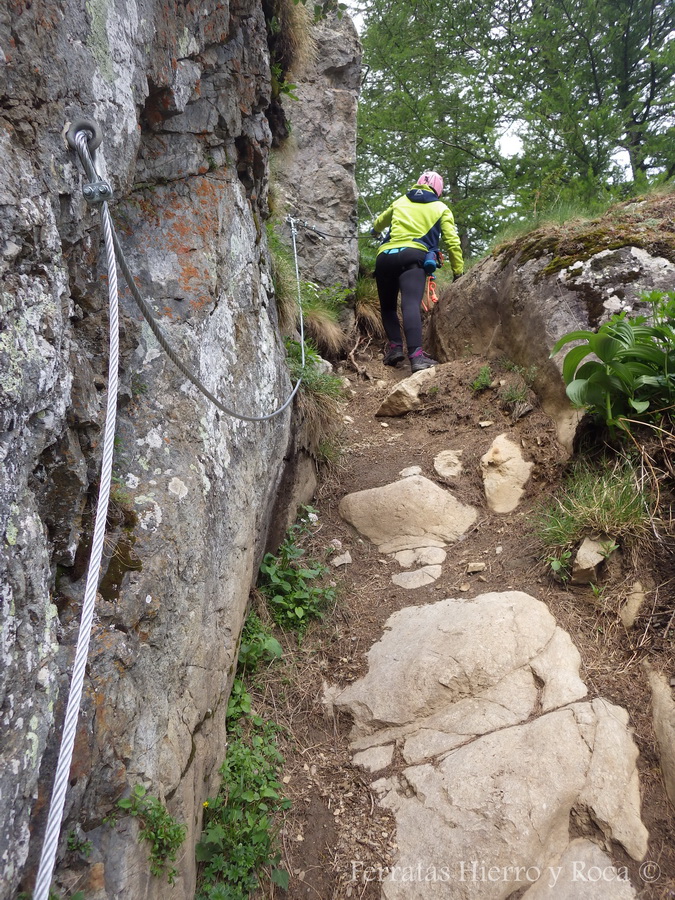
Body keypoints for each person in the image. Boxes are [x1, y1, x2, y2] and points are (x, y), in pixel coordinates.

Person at [371, 171, 464, 372]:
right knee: (410, 304)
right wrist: (458, 271)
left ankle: (395, 348)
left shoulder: (401, 201)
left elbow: (378, 223)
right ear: (438, 190)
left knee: (387, 307)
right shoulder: (440, 208)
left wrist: (375, 232)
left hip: (385, 257)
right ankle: (416, 356)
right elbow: (452, 242)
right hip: (413, 256)